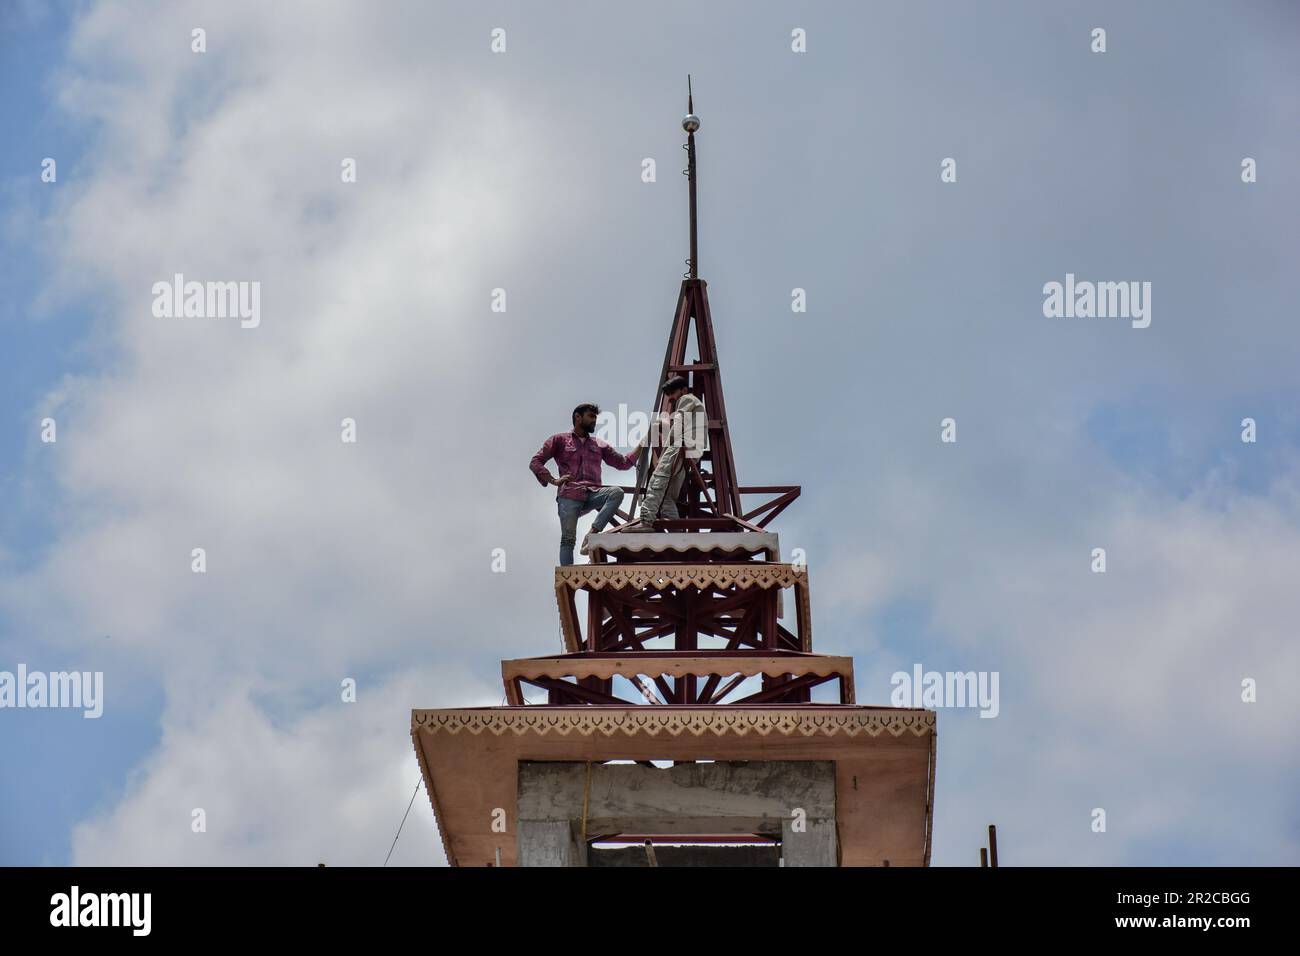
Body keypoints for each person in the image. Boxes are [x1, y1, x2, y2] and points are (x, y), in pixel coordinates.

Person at [529, 403, 647, 565]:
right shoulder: (559, 440)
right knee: (568, 539)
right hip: (569, 496)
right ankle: (568, 579)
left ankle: (592, 535)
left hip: (593, 494)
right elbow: (535, 462)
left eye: (595, 418)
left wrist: (642, 444)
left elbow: (624, 463)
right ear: (578, 417)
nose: (594, 421)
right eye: (591, 417)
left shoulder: (598, 444)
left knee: (616, 493)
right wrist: (554, 481)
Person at [623, 376, 706, 530]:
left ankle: (646, 522)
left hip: (680, 446)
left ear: (684, 390)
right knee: (667, 498)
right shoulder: (694, 404)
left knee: (656, 481)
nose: (672, 399)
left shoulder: (687, 398)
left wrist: (664, 454)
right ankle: (677, 534)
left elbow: (679, 422)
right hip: (690, 452)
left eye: (673, 393)